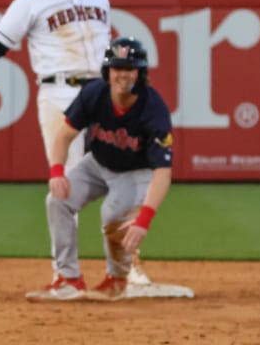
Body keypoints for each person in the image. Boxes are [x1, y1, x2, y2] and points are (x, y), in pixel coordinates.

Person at [0, 0, 161, 286]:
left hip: (104, 91)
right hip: (59, 92)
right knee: (66, 184)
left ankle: (126, 269)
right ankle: (66, 275)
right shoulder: (29, 3)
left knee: (127, 177)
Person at [31, 37, 174, 302]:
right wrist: (57, 171)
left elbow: (163, 172)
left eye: (129, 68)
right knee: (57, 200)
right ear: (107, 71)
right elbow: (63, 135)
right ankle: (69, 279)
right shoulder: (94, 93)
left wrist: (144, 219)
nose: (122, 74)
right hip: (97, 163)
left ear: (140, 73)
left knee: (113, 215)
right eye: (117, 67)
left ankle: (118, 278)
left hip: (135, 171)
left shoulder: (153, 108)